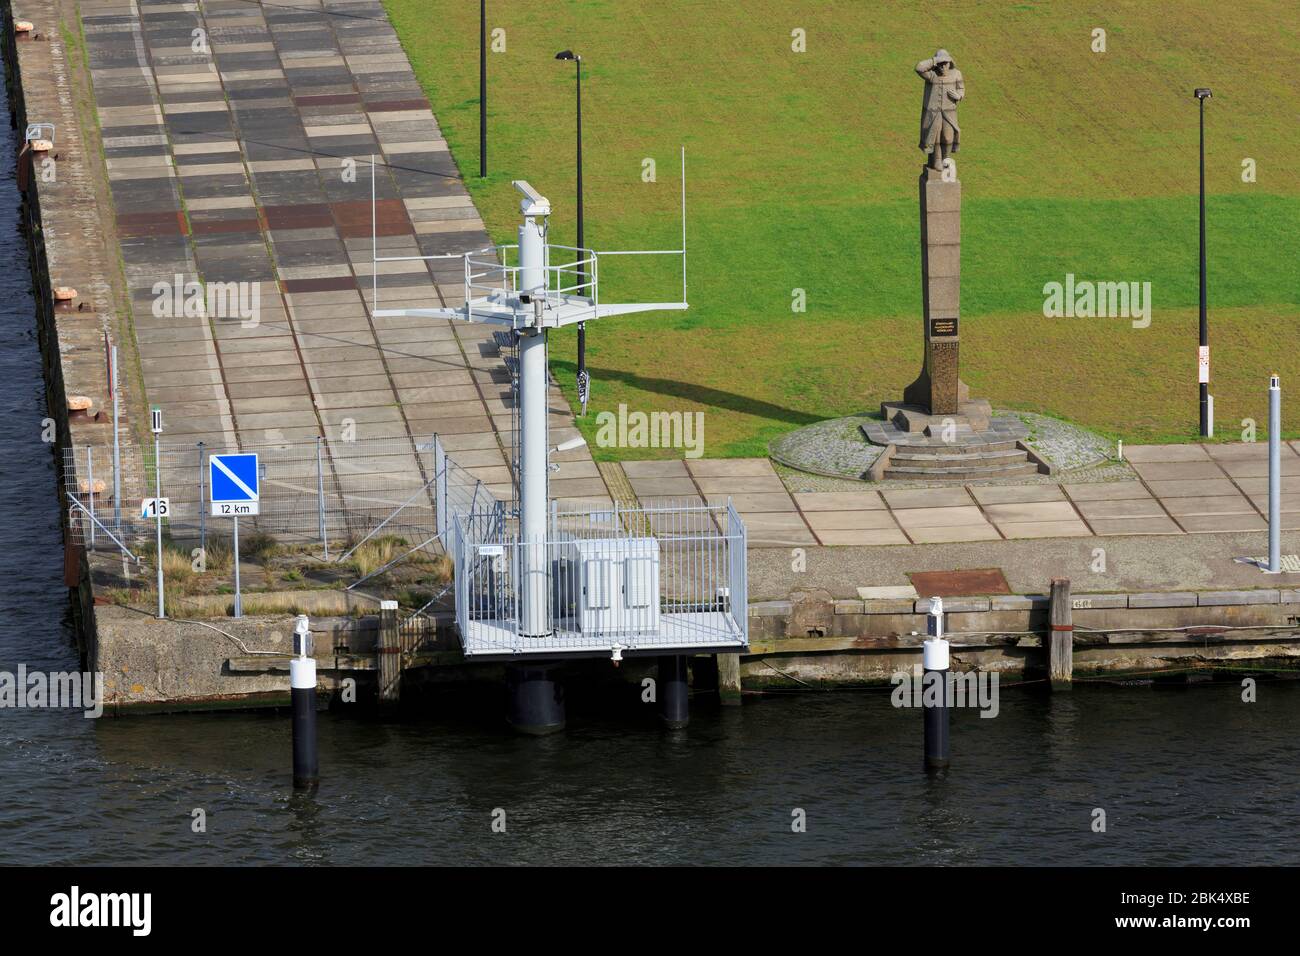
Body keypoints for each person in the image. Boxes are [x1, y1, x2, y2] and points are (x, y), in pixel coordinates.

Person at [916, 49, 964, 171]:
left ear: (950, 63)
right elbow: (919, 68)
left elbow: (961, 88)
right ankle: (937, 160)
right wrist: (935, 60)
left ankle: (946, 158)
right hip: (934, 112)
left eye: (946, 63)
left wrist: (959, 96)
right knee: (935, 136)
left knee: (948, 137)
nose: (943, 66)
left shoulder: (956, 74)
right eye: (941, 64)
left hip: (949, 112)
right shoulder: (932, 75)